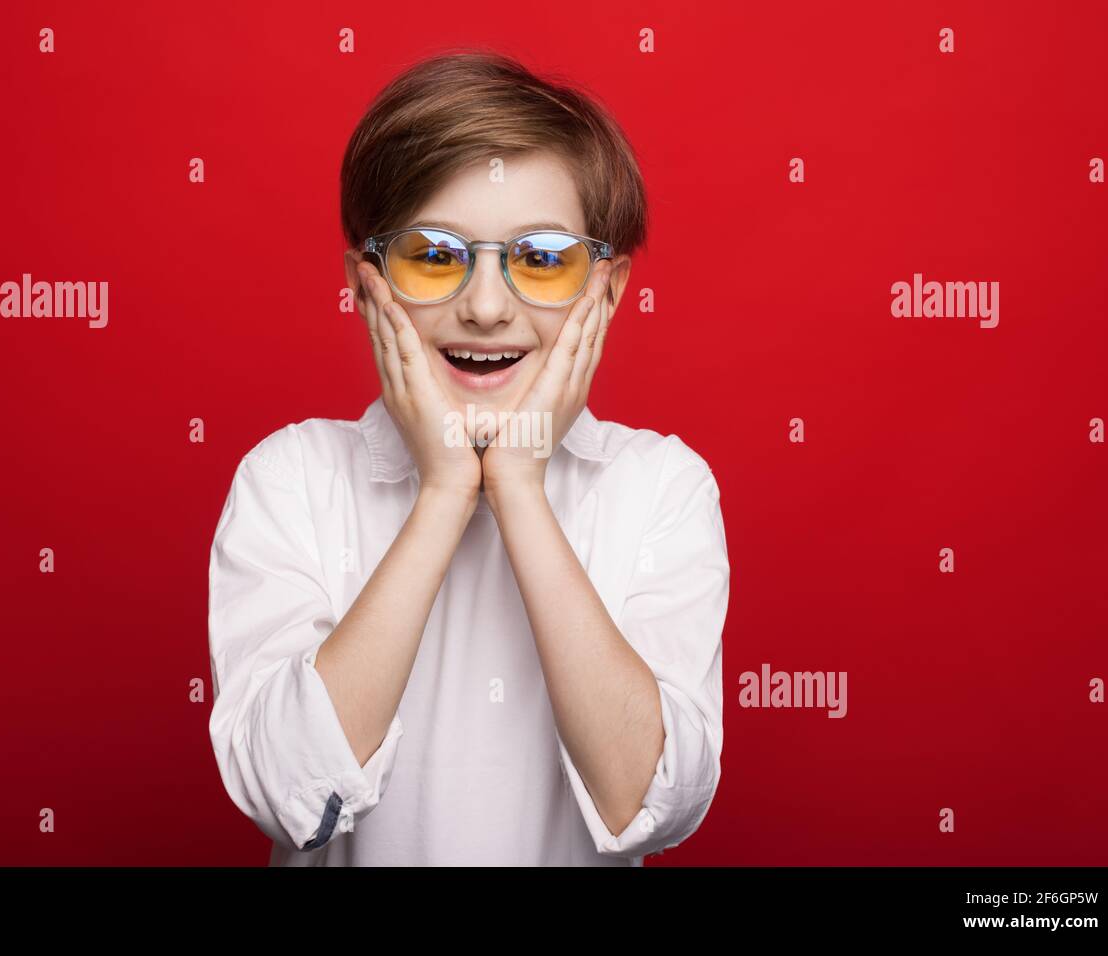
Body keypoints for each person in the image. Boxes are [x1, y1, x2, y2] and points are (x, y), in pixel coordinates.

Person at [206, 50, 731, 866]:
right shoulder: (292, 479)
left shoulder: (660, 487)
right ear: (366, 282)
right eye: (437, 256)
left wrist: (518, 479)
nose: (486, 308)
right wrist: (446, 488)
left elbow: (648, 799)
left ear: (610, 290)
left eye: (543, 260)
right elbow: (285, 794)